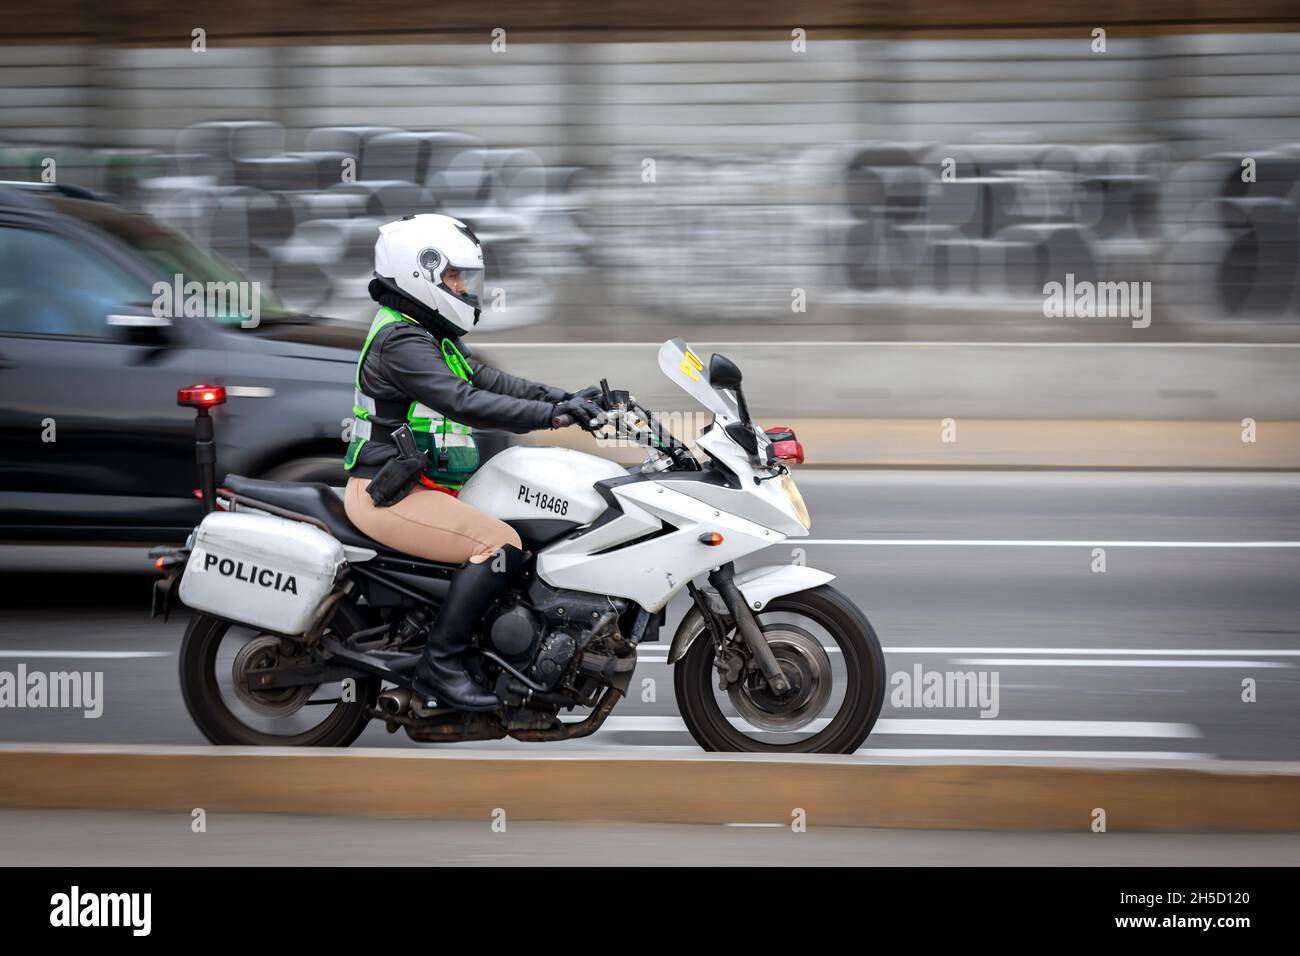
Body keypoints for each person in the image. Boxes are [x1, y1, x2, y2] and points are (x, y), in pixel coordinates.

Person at [342, 213, 605, 711]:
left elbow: (489, 382)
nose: (465, 289)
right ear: (420, 274)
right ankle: (440, 666)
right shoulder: (400, 342)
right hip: (387, 494)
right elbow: (464, 401)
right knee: (498, 543)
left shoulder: (426, 333)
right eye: (455, 278)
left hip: (417, 487)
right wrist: (553, 416)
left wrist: (567, 398)